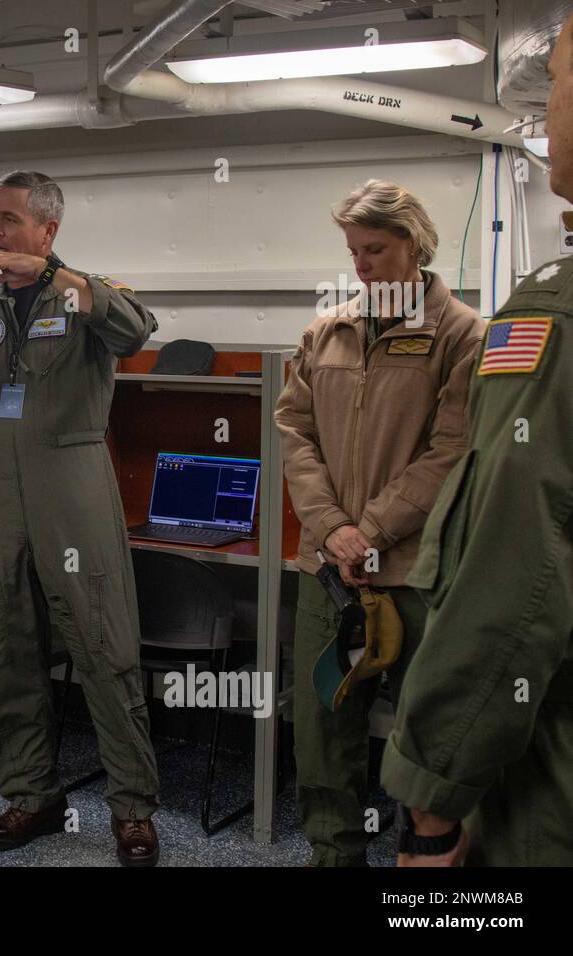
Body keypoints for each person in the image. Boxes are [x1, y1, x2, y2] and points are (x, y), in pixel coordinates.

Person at [0, 170, 162, 866]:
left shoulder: (82, 293)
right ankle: (31, 797)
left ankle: (134, 810)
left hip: (72, 489)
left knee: (104, 648)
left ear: (48, 231)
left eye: (11, 219)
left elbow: (137, 332)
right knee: (8, 646)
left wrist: (62, 275)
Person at [380, 10, 573, 867]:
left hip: (543, 755)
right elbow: (296, 430)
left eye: (558, 82)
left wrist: (434, 798)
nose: (540, 107)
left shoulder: (544, 313)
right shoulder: (329, 333)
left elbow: (518, 570)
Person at [274, 181, 485, 866]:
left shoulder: (463, 335)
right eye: (353, 250)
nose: (362, 264)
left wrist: (372, 530)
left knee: (426, 727)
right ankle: (332, 854)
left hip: (415, 567)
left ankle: (425, 858)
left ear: (415, 245)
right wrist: (333, 528)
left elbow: (451, 450)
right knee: (322, 721)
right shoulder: (324, 332)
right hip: (327, 567)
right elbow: (295, 431)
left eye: (376, 248)